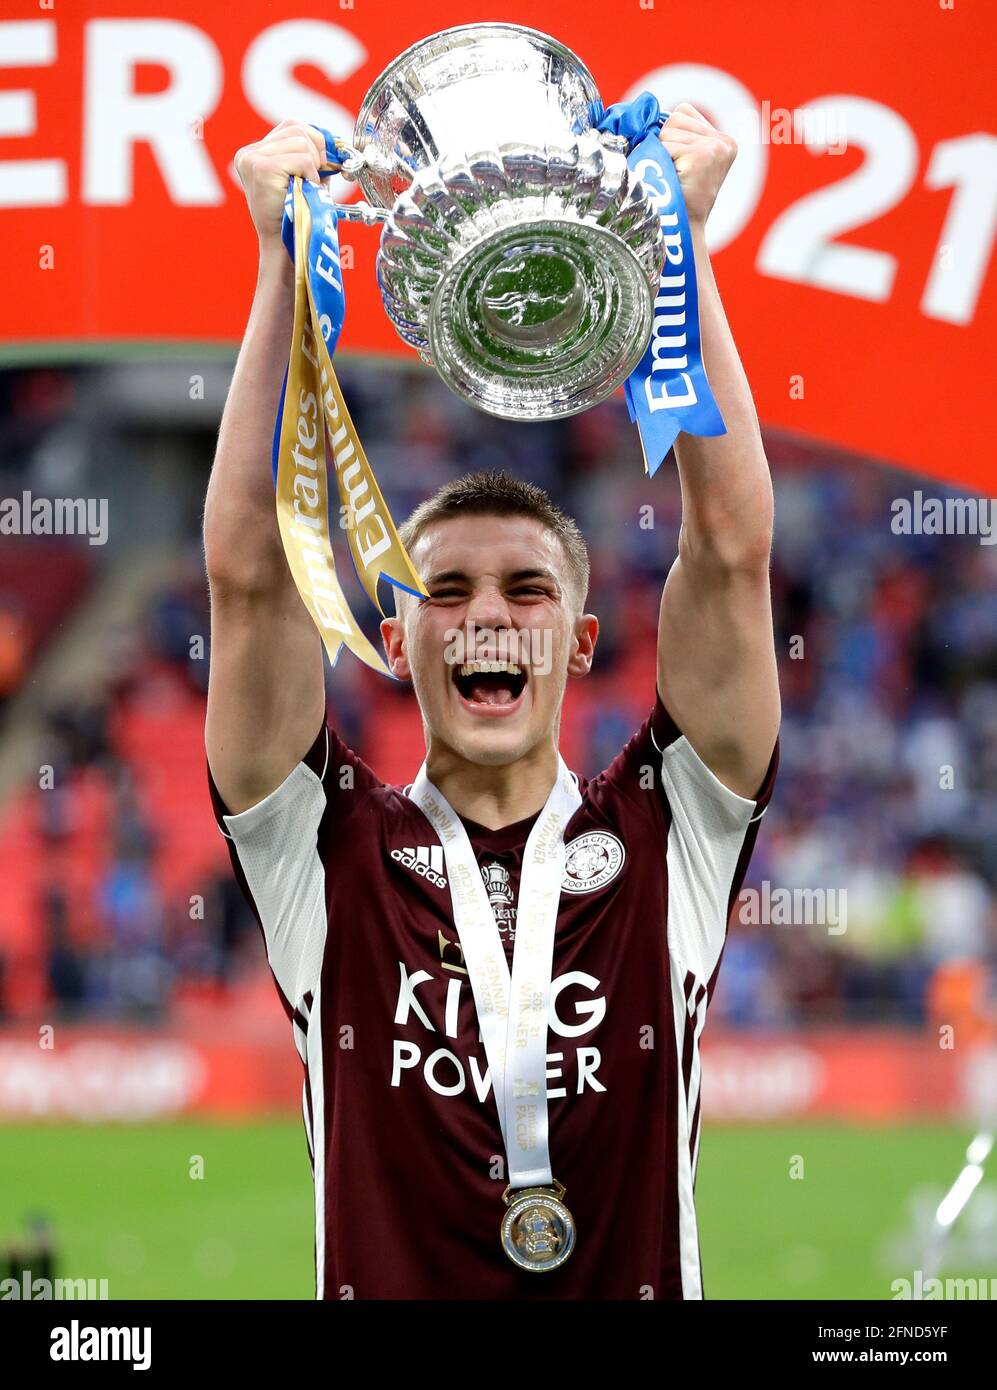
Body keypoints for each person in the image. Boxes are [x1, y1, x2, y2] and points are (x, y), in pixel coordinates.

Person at [203, 106, 780, 1300]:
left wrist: (683, 246)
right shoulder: (324, 850)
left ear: (579, 643)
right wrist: (275, 265)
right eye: (445, 591)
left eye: (526, 590)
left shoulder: (669, 831)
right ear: (392, 639)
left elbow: (728, 552)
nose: (485, 618)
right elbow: (252, 577)